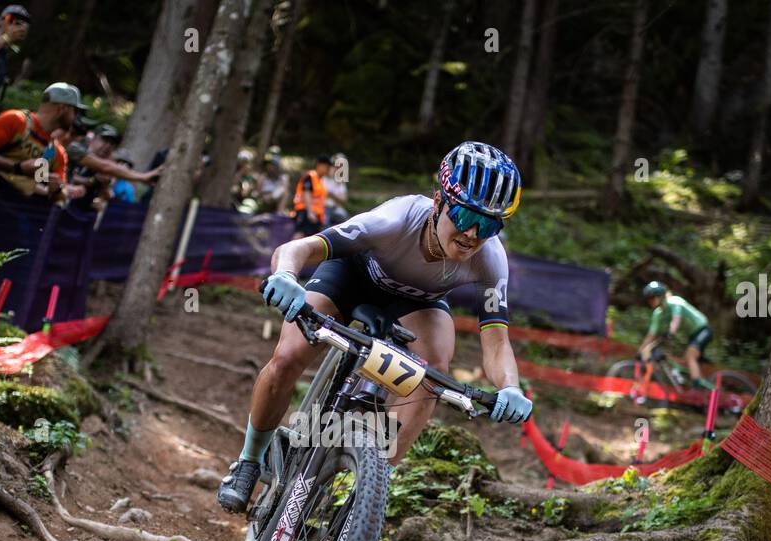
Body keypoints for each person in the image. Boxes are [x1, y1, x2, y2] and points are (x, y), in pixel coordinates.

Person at [216, 141, 534, 513]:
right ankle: (249, 461)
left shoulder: (490, 259)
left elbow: (496, 341)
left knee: (433, 372)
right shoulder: (395, 219)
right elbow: (297, 249)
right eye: (465, 217)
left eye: (490, 225)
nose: (473, 235)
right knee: (289, 355)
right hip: (354, 275)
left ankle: (365, 500)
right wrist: (287, 276)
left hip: (418, 301)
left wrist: (510, 388)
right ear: (438, 201)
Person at [0, 81, 86, 202]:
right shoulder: (16, 121)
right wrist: (17, 168)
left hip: (8, 210)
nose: (76, 118)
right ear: (62, 109)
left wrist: (57, 189)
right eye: (75, 111)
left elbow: (61, 196)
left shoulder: (56, 153)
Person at [637, 280, 714, 387]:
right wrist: (641, 350)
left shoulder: (674, 301)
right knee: (685, 361)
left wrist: (671, 332)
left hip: (703, 330)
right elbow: (651, 335)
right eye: (649, 298)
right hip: (691, 336)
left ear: (661, 296)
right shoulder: (658, 314)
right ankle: (698, 383)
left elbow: (676, 320)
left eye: (653, 297)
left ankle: (697, 389)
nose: (651, 301)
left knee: (690, 356)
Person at [292, 153, 332, 236]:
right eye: (326, 167)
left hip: (316, 215)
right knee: (300, 234)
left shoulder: (320, 180)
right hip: (305, 211)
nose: (327, 170)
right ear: (319, 165)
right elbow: (307, 193)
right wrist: (310, 212)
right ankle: (289, 249)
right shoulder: (311, 176)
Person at [324, 151, 349, 225]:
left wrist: (332, 195)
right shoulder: (323, 177)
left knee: (345, 220)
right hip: (323, 207)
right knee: (325, 222)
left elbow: (344, 199)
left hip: (335, 208)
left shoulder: (340, 180)